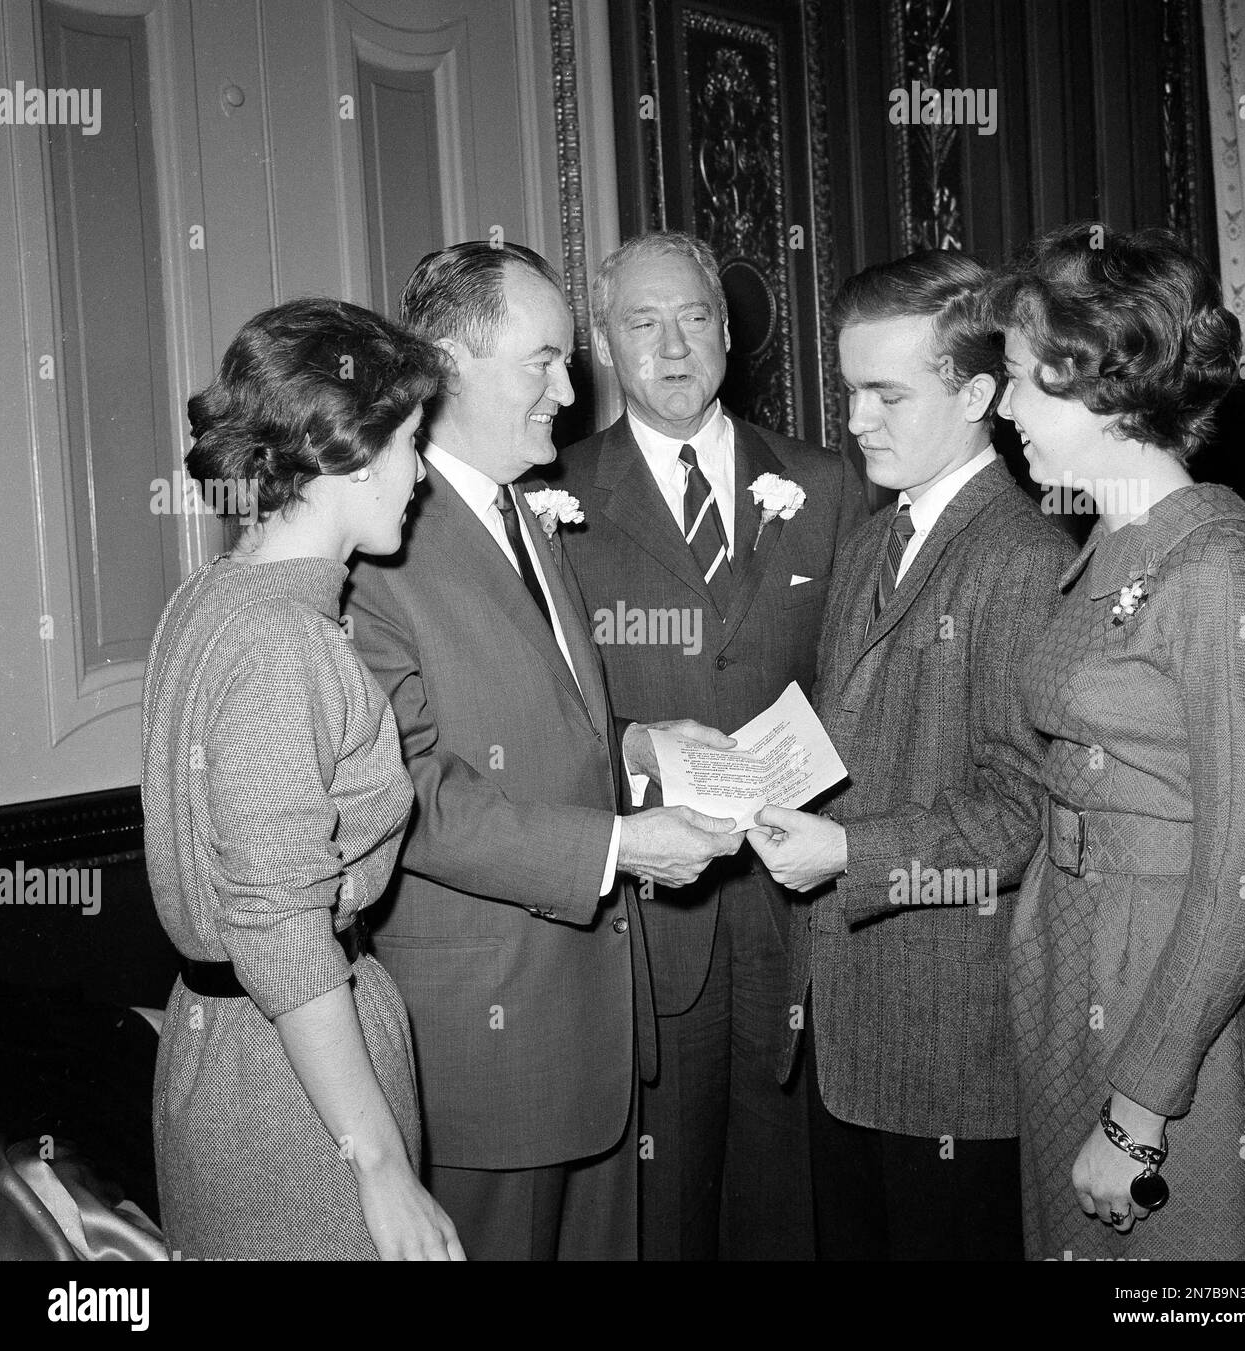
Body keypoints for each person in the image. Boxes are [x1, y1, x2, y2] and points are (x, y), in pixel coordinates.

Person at [346, 241, 742, 1262]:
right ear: (441, 362)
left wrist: (638, 740)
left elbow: (540, 733)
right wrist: (620, 849)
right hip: (483, 1053)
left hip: (591, 1033)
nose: (569, 394)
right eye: (543, 362)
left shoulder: (520, 511)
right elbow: (410, 794)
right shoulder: (375, 544)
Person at [747, 250, 1076, 1260]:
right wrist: (737, 769)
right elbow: (858, 730)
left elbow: (1025, 813)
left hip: (953, 1053)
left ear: (978, 392)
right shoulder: (871, 538)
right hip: (848, 1031)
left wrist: (848, 856)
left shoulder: (1022, 559)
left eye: (885, 392)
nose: (853, 419)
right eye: (849, 389)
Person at [989, 223, 1245, 1261]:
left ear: (1104, 389)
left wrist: (1138, 1111)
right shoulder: (1107, 546)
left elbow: (1243, 873)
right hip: (1073, 961)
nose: (1001, 405)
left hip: (1175, 1002)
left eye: (1022, 380)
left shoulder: (1217, 572)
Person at [554, 231, 863, 1260]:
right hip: (646, 920)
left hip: (803, 911)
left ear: (727, 332)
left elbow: (865, 680)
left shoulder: (825, 482)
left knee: (795, 1214)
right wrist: (634, 751)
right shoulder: (550, 500)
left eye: (693, 317)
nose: (673, 346)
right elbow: (537, 720)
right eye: (642, 324)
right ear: (605, 345)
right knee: (663, 1216)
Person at [142, 297, 463, 1260]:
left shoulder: (211, 598)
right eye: (410, 440)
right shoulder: (283, 644)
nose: (420, 470)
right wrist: (379, 1165)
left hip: (224, 1047)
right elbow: (281, 927)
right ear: (349, 455)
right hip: (299, 1090)